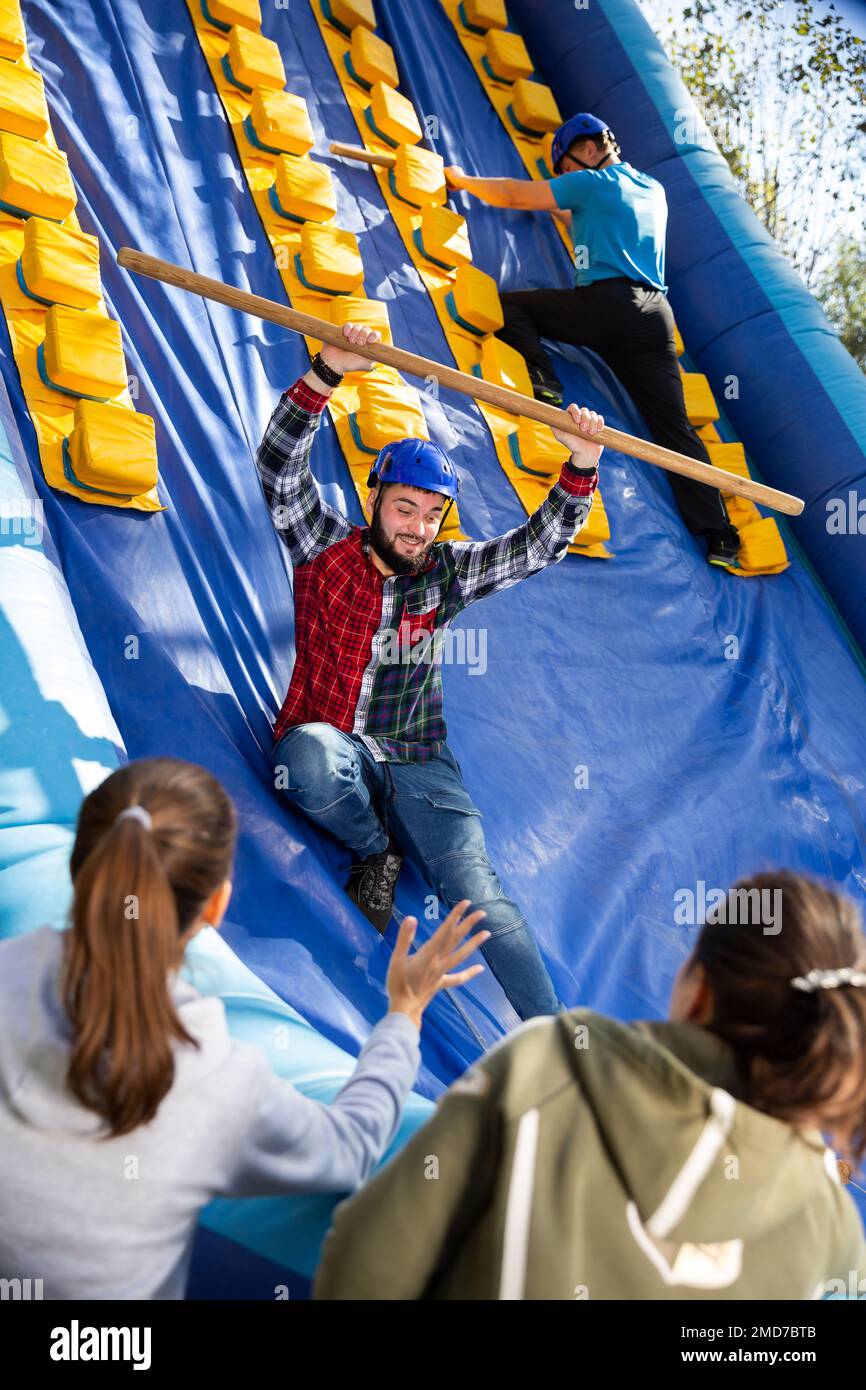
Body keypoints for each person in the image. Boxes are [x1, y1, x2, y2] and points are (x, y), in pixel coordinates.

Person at [0, 757, 488, 1299]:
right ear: (217, 905)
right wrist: (404, 1012)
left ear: (79, 868)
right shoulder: (217, 1077)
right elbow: (350, 1148)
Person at [255, 323, 604, 1021]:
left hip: (418, 760)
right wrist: (327, 373)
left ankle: (558, 1038)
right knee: (308, 761)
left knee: (480, 894)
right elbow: (278, 465)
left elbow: (536, 547)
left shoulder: (444, 573)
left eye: (431, 514)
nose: (416, 526)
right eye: (404, 508)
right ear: (374, 500)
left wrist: (581, 467)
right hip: (333, 741)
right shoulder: (323, 547)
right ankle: (375, 848)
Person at [313, 871, 866, 1300]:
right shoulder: (835, 1231)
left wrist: (404, 1015)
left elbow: (363, 1270)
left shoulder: (546, 1068)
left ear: (697, 992)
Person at [445, 112, 741, 567]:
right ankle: (720, 535)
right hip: (655, 319)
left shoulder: (591, 185)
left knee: (509, 306)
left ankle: (541, 374)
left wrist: (463, 181)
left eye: (565, 169)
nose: (566, 179)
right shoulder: (651, 190)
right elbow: (581, 213)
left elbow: (515, 194)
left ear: (587, 150)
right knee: (674, 430)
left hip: (607, 308)